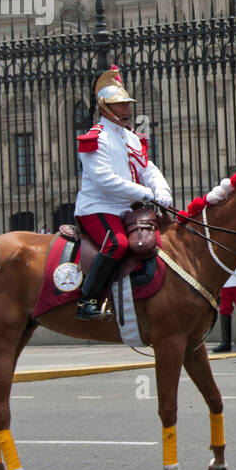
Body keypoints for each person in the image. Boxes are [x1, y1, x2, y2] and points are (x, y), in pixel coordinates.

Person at [74, 65, 173, 320]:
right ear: (105, 107)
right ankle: (89, 300)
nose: (128, 109)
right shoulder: (96, 138)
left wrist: (161, 189)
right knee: (117, 244)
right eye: (121, 104)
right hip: (98, 208)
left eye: (128, 103)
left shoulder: (130, 137)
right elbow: (104, 179)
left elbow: (147, 168)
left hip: (126, 210)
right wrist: (145, 193)